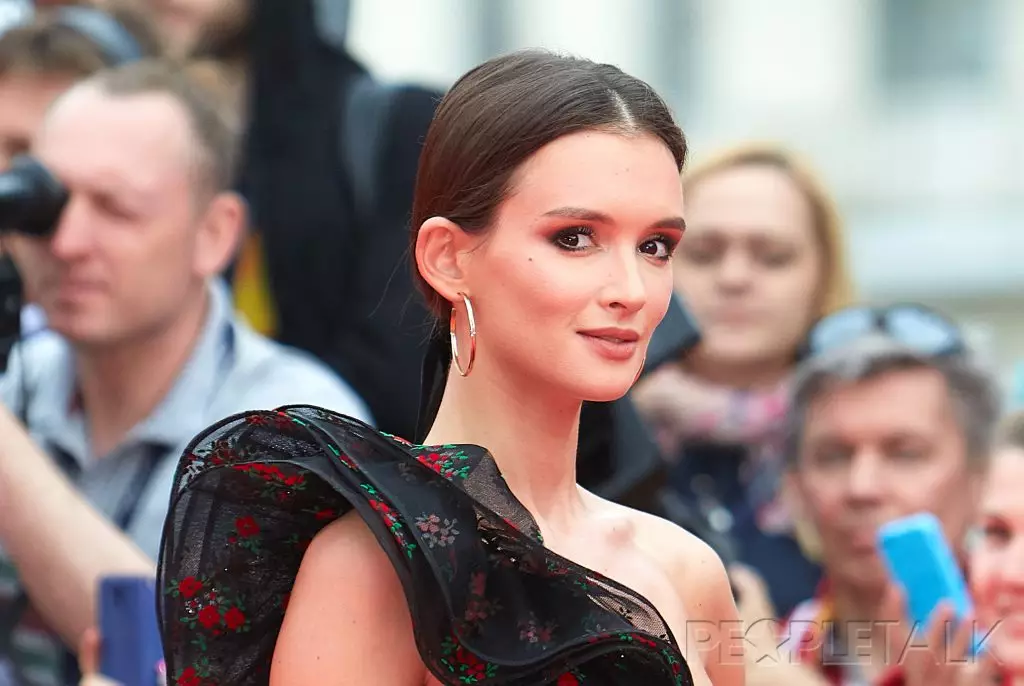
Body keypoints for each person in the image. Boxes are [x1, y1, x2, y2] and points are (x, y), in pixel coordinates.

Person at [157, 49, 744, 686]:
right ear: (447, 258)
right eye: (574, 237)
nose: (631, 287)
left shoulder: (689, 569)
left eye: (656, 246)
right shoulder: (374, 567)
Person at [0, 59, 370, 686]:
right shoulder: (22, 375)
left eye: (116, 210)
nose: (66, 243)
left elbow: (178, 657)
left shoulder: (292, 428)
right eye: (50, 204)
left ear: (215, 232)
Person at [631, 144, 855, 616]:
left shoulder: (873, 445)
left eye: (772, 257)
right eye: (704, 254)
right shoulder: (591, 428)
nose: (734, 277)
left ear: (822, 276)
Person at [777, 304, 1000, 685]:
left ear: (980, 481)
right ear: (794, 486)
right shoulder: (753, 656)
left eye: (905, 453)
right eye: (833, 456)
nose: (862, 487)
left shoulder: (1013, 650)